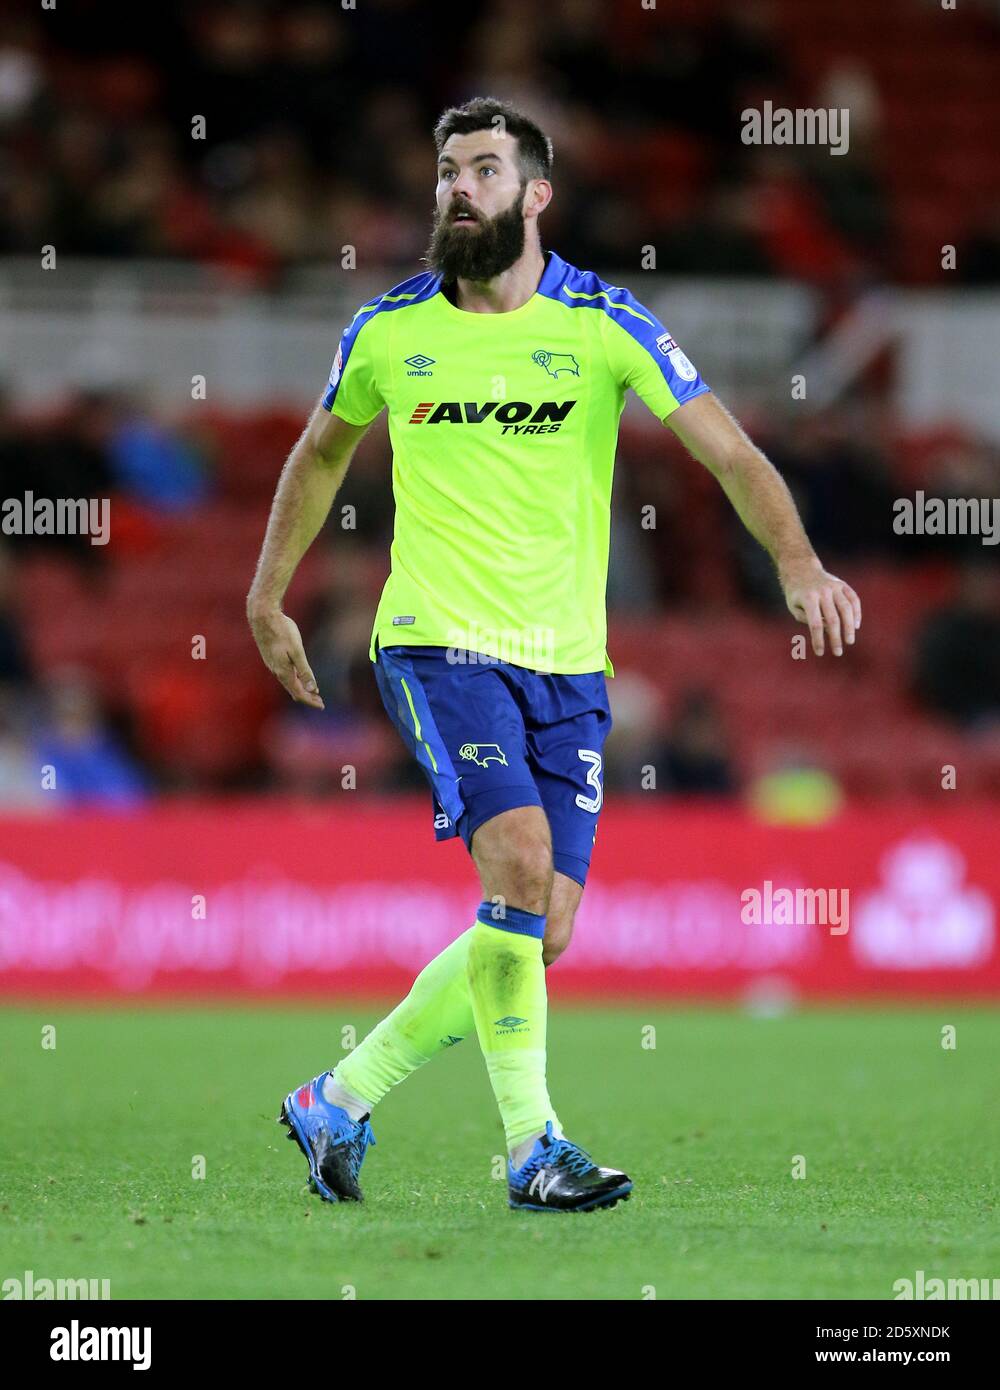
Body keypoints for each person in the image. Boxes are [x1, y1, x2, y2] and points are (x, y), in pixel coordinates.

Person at [247, 97, 861, 1213]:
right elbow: (319, 453)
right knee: (519, 864)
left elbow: (728, 450)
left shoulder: (605, 320)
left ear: (534, 195)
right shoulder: (388, 329)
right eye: (445, 169)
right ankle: (535, 1148)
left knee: (540, 924)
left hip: (567, 664)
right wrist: (266, 594)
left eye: (483, 168)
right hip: (436, 641)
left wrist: (800, 563)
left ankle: (335, 1098)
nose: (457, 187)